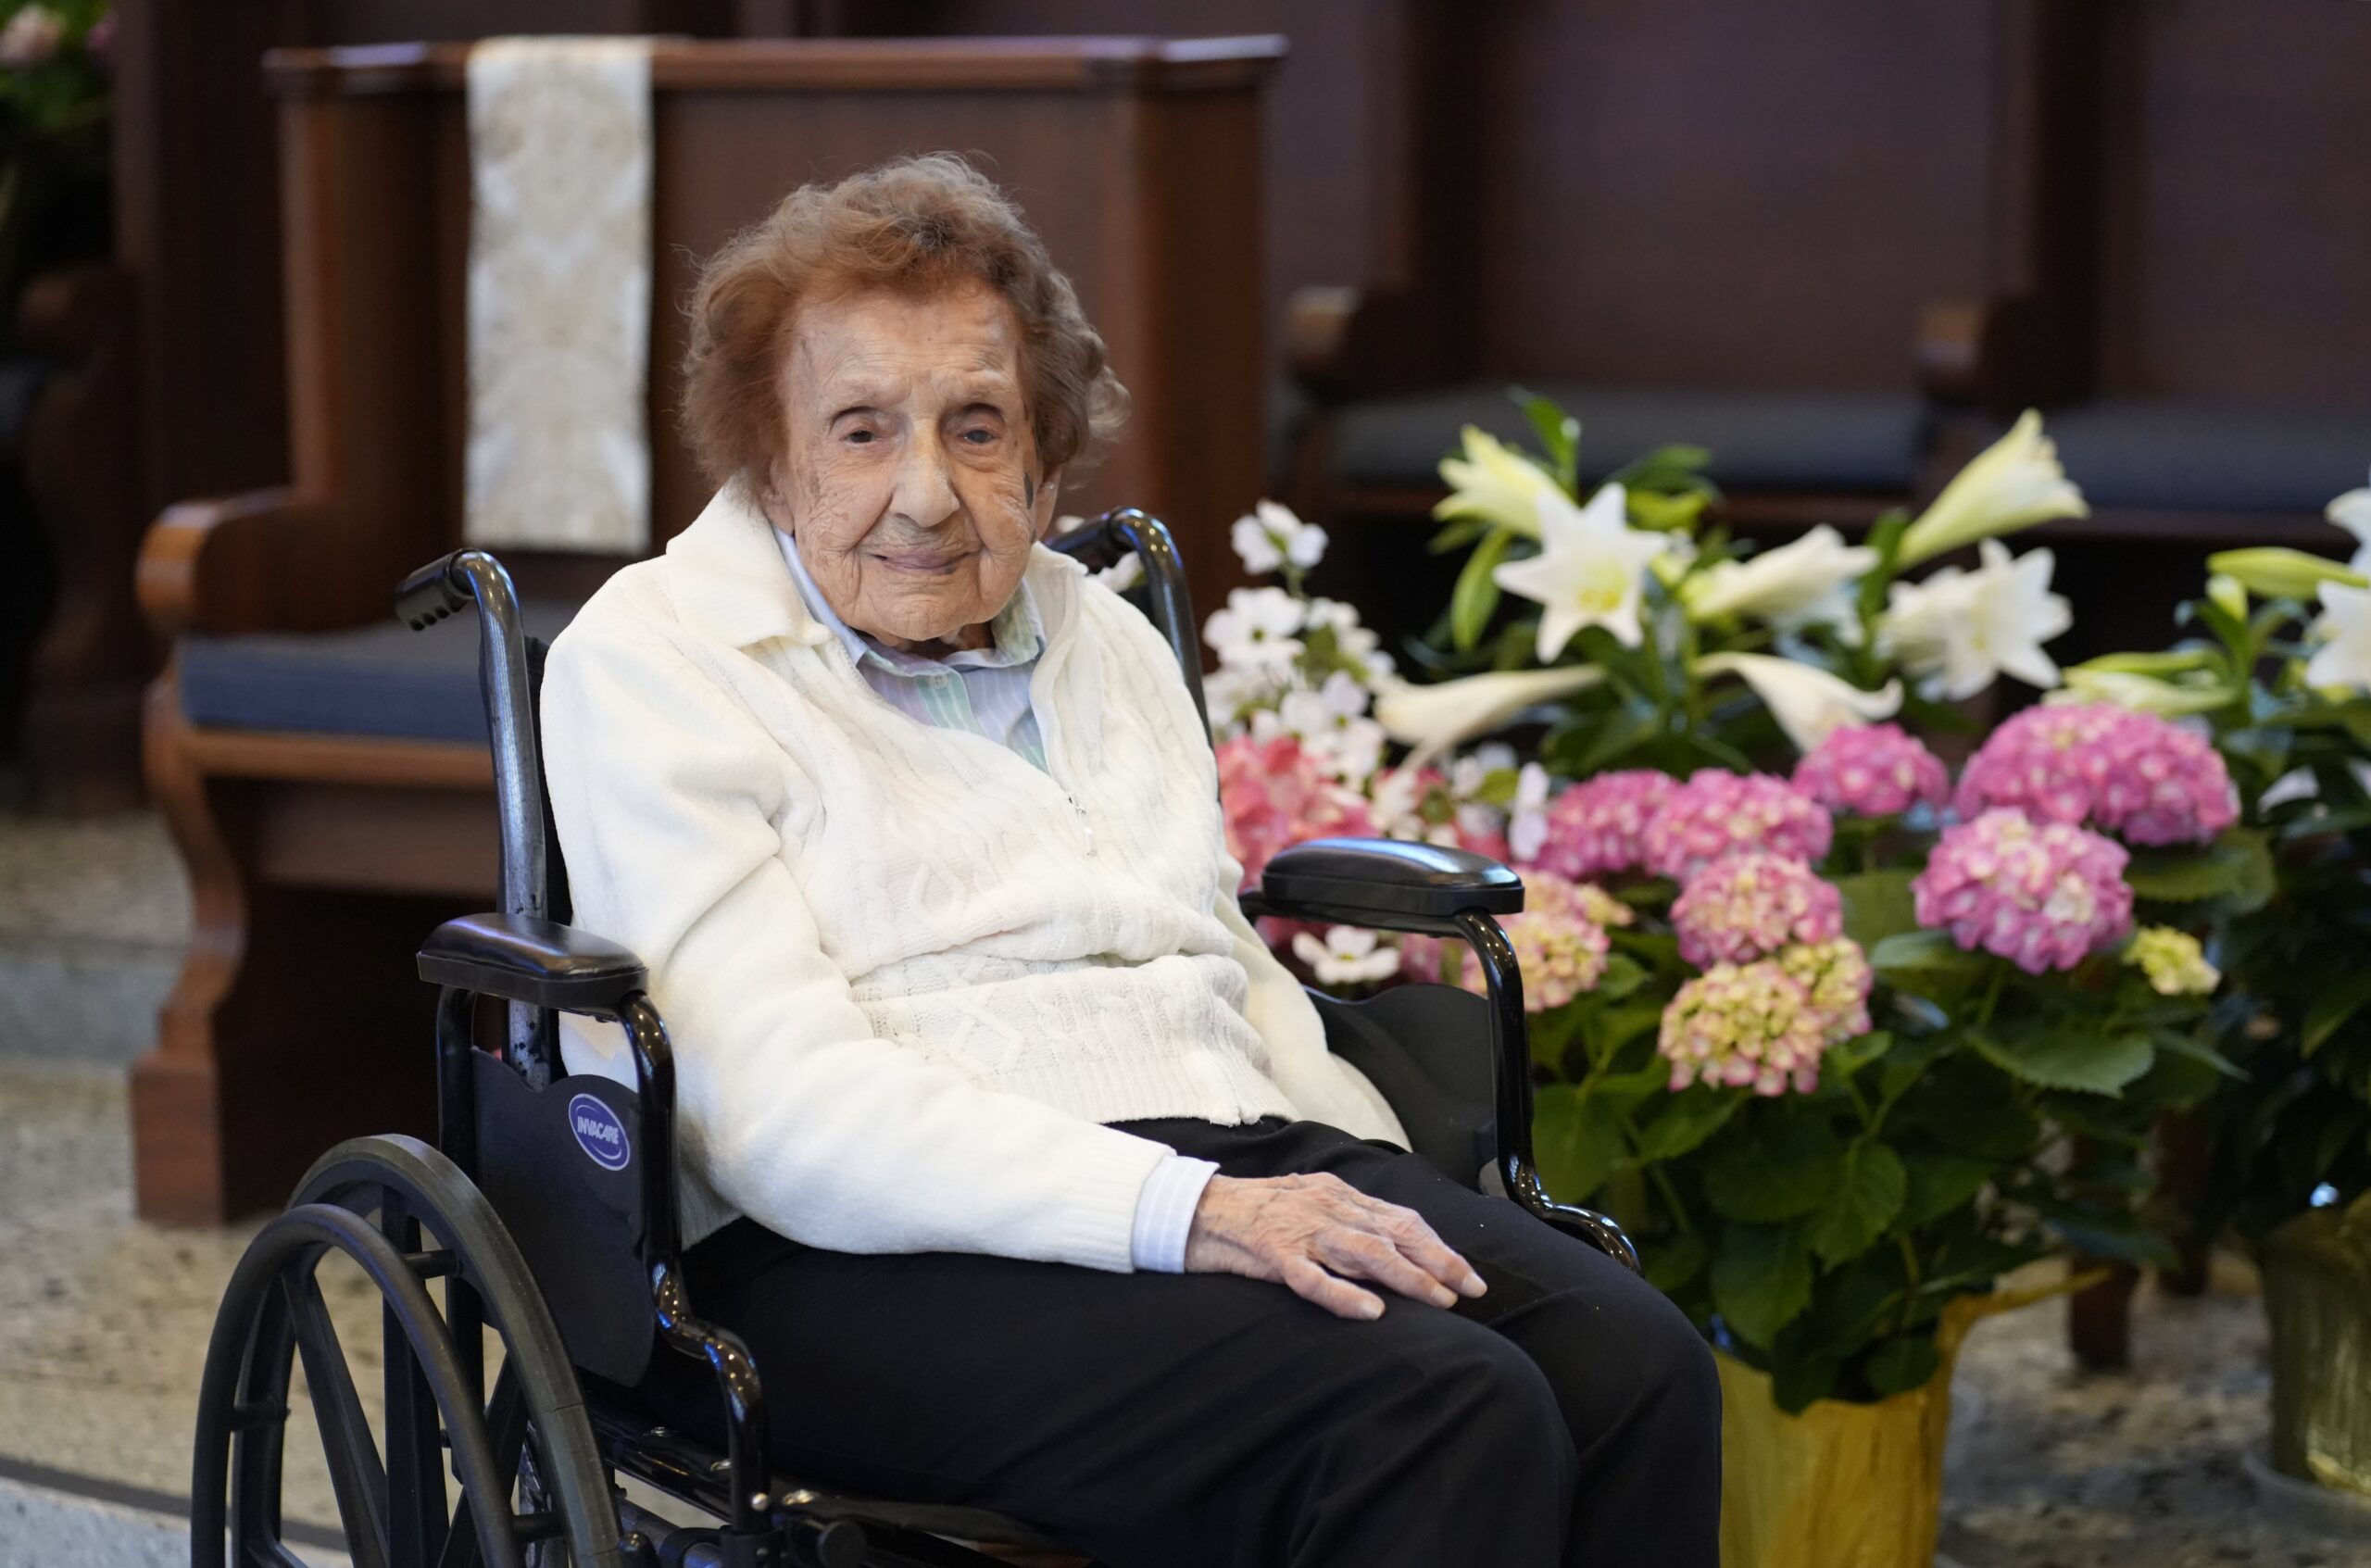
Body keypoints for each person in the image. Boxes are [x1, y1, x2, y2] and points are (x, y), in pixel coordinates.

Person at [541, 153, 1718, 1568]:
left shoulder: (1099, 633)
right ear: (769, 457)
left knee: (1635, 1368)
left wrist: (1368, 1180)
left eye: (977, 427)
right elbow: (778, 1115)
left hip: (1224, 1147)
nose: (925, 493)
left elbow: (1216, 955)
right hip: (854, 1244)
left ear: (1044, 460)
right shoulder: (661, 656)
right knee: (1438, 1409)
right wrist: (1192, 1211)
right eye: (860, 430)